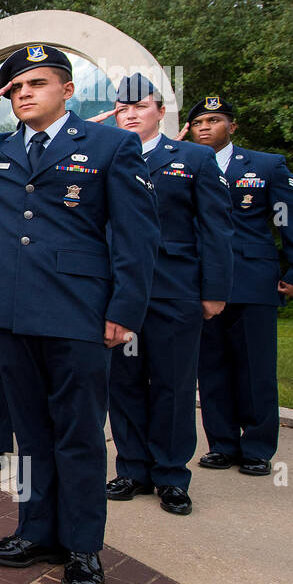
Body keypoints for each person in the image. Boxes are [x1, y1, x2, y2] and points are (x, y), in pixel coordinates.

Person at [0, 46, 158, 584]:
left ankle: (81, 546)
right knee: (29, 432)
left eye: (37, 82)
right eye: (15, 87)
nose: (24, 92)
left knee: (76, 434)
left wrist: (124, 310)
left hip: (78, 312)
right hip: (8, 311)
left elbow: (137, 235)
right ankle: (36, 531)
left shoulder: (110, 144)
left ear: (68, 90)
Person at [104, 75, 233, 515]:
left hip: (174, 290)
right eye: (122, 109)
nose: (131, 114)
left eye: (140, 106)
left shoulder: (193, 158)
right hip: (118, 291)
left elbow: (216, 228)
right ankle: (132, 469)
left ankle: (171, 475)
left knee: (174, 385)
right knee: (122, 383)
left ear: (161, 111)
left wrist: (214, 290)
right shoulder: (103, 155)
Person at [186, 96, 293, 475]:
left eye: (215, 120)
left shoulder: (265, 166)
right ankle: (223, 445)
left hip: (253, 280)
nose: (206, 127)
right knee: (211, 368)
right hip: (203, 282)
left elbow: (291, 217)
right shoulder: (185, 167)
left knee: (255, 367)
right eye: (199, 123)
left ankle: (258, 447)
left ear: (232, 126)